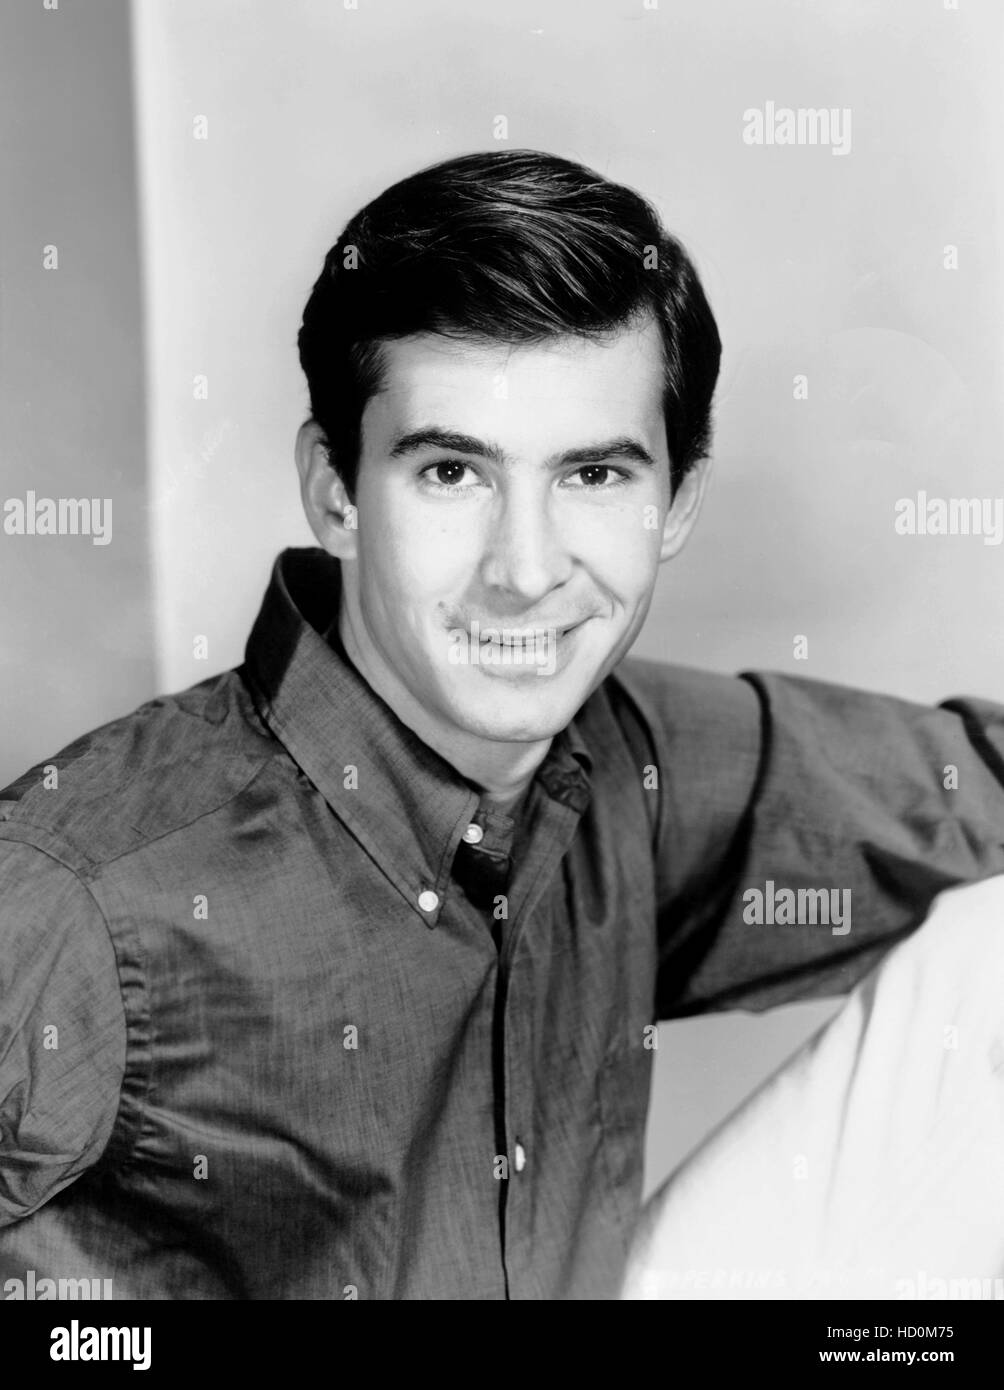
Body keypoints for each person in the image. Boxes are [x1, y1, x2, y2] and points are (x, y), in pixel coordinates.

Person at [2, 150, 1003, 1302]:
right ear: (335, 490)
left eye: (589, 474)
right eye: (449, 473)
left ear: (672, 503)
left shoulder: (631, 763)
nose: (525, 574)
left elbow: (964, 790)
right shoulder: (73, 892)